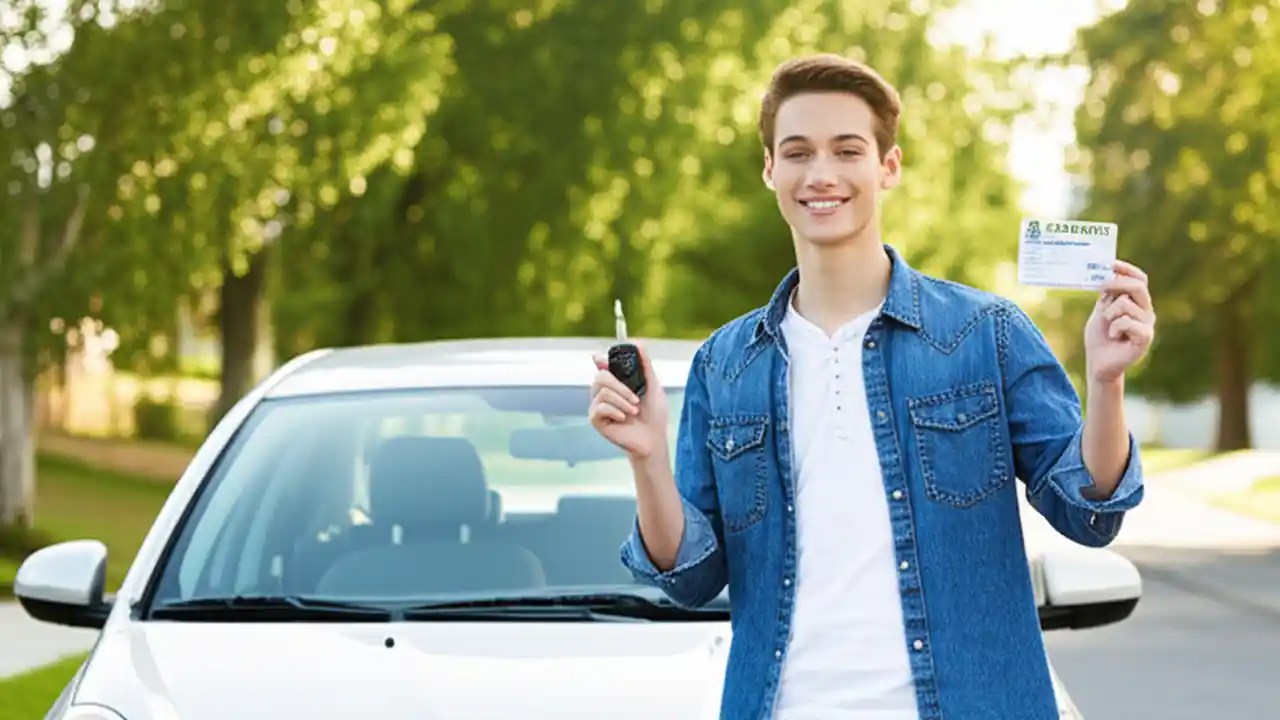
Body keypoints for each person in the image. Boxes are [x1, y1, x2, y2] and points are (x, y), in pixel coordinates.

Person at [588, 53, 1155, 720]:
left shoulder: (987, 335)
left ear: (888, 166)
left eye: (846, 150)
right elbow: (688, 577)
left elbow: (1089, 512)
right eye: (797, 153)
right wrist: (647, 457)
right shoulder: (726, 364)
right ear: (770, 169)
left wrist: (1106, 381)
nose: (820, 174)